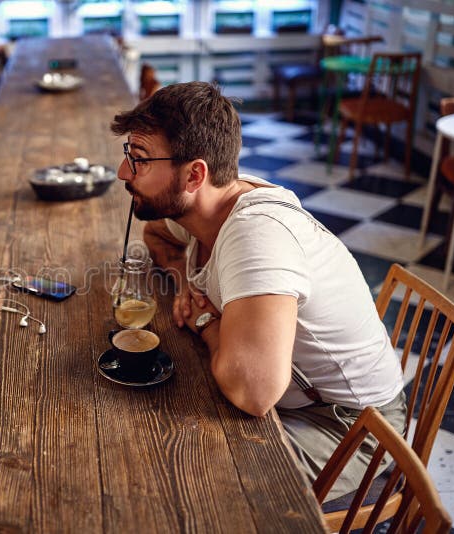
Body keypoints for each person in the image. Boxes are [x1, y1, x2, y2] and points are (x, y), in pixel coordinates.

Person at [111, 81, 405, 500]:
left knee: (183, 483)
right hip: (296, 401)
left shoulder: (256, 236)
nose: (124, 173)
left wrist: (205, 319)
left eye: (138, 160)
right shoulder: (210, 204)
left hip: (352, 425)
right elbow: (156, 233)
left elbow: (253, 391)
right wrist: (182, 281)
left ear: (195, 174)